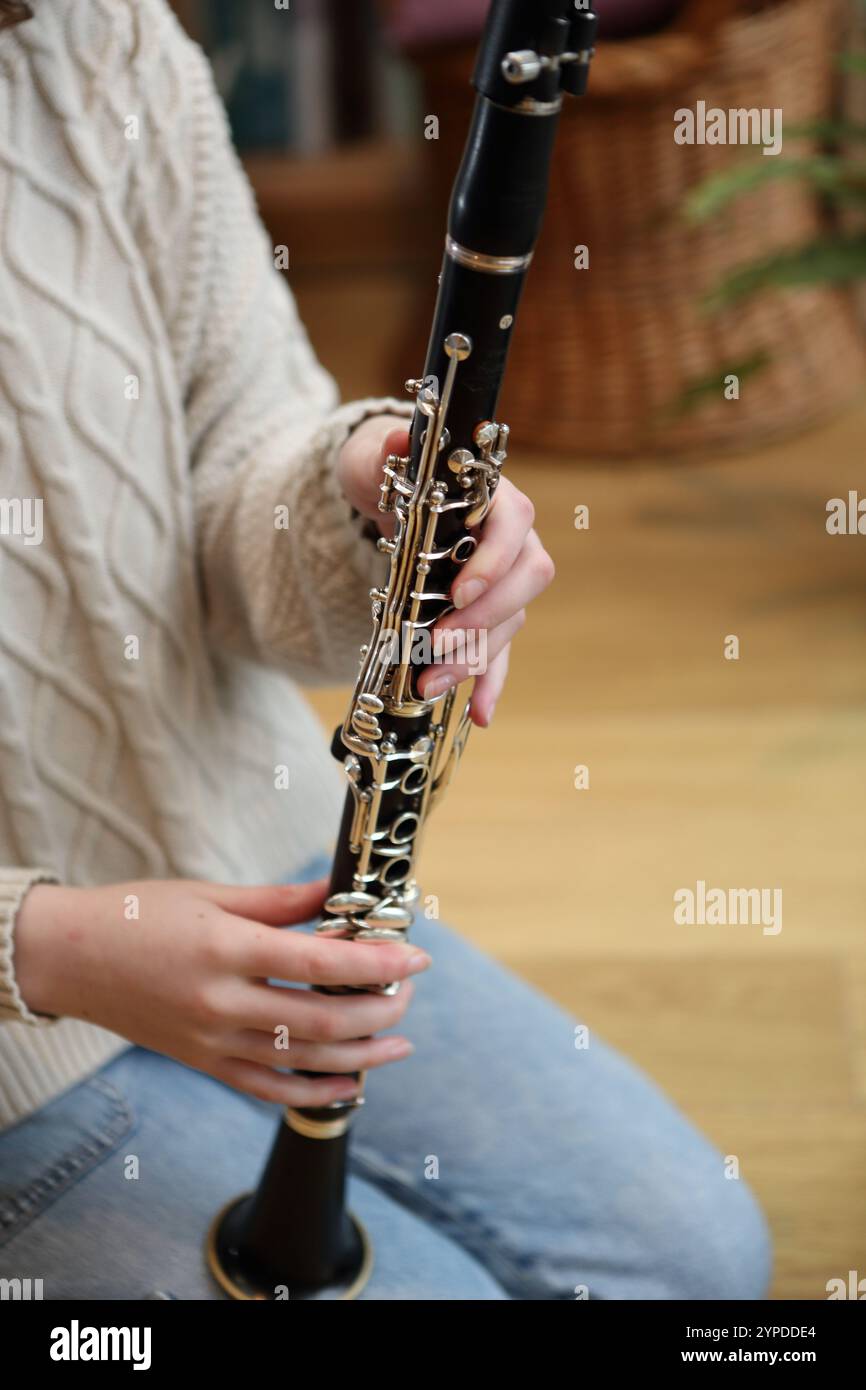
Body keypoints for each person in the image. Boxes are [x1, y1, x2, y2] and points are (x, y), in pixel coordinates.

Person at [0, 0, 771, 1300]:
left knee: (697, 1255)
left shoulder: (100, 36)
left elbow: (240, 450)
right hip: (23, 1026)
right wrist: (48, 944)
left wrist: (364, 496)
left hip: (259, 856)